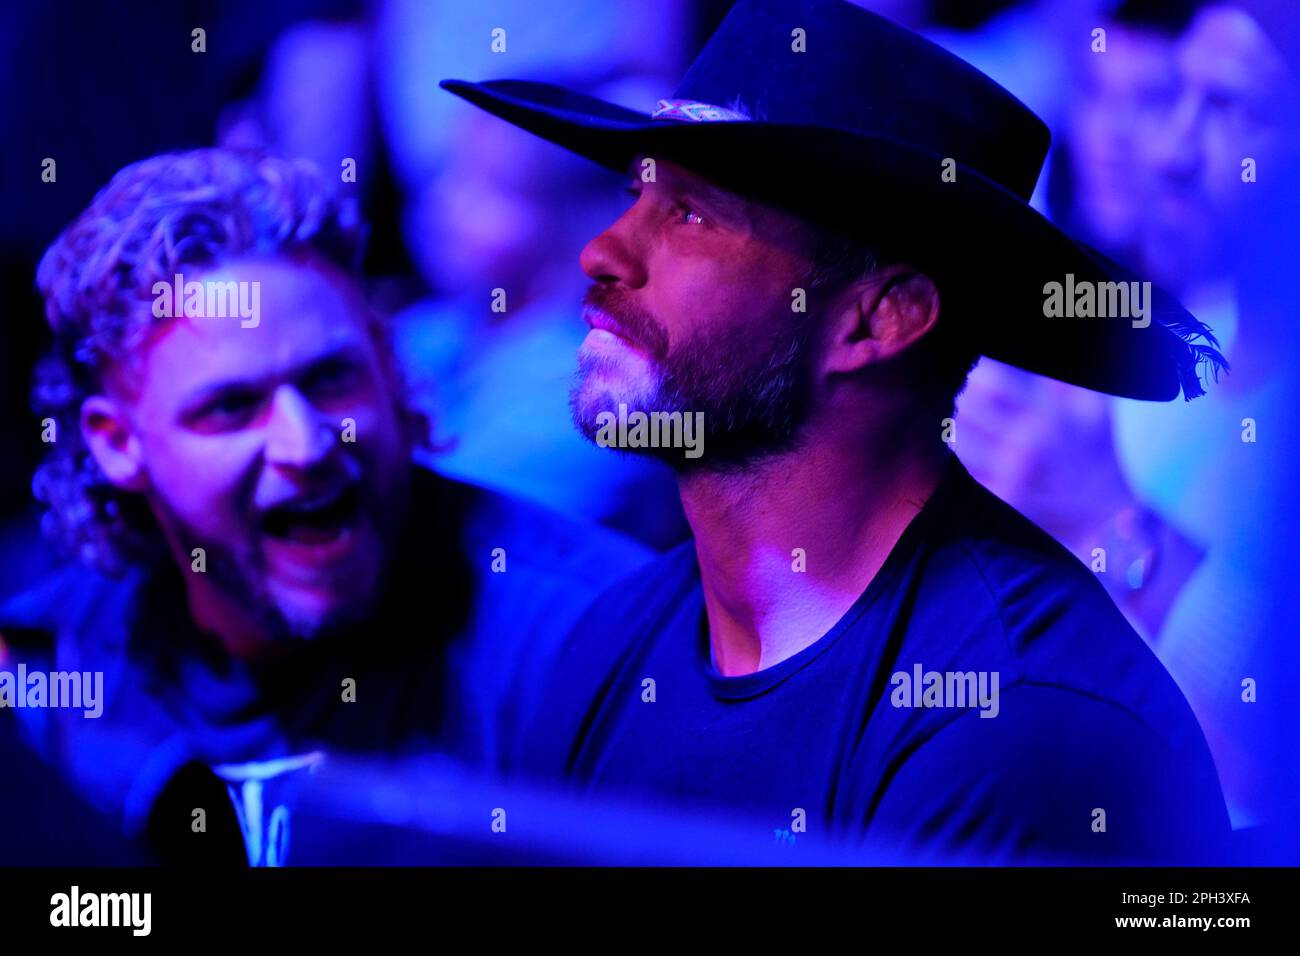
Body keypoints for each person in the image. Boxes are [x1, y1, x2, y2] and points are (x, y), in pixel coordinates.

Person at [441, 0, 1231, 864]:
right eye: (638, 193)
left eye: (692, 215)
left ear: (880, 317)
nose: (604, 251)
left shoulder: (1016, 716)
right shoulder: (612, 643)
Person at [0, 148, 648, 864]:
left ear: (385, 359)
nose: (305, 445)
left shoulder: (589, 641)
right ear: (118, 442)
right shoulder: (49, 671)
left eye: (332, 378)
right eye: (231, 407)